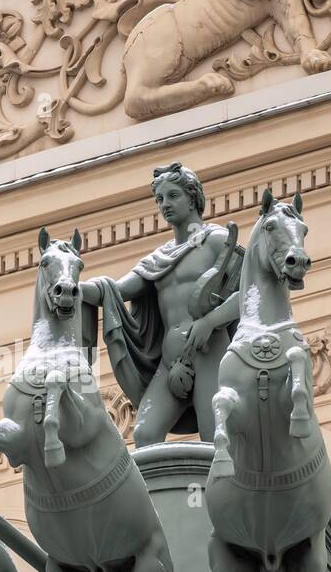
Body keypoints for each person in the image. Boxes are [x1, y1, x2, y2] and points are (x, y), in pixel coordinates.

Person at [82, 162, 242, 445]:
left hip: (208, 355)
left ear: (192, 197)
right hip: (170, 362)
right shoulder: (159, 259)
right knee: (145, 433)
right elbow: (116, 291)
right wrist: (73, 288)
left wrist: (210, 322)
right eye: (159, 199)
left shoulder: (216, 241)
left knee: (212, 436)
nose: (164, 205)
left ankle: (212, 489)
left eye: (172, 196)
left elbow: (250, 293)